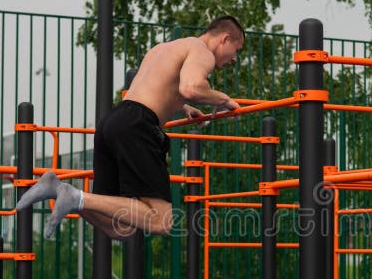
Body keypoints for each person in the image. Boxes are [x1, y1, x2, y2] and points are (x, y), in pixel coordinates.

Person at [15, 15, 245, 239]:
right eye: (236, 50)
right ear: (224, 39)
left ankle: (63, 192)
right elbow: (192, 87)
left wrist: (183, 107)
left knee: (121, 227)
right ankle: (75, 197)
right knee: (163, 220)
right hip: (137, 125)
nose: (234, 59)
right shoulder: (202, 51)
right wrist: (223, 99)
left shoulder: (163, 48)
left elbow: (158, 87)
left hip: (113, 121)